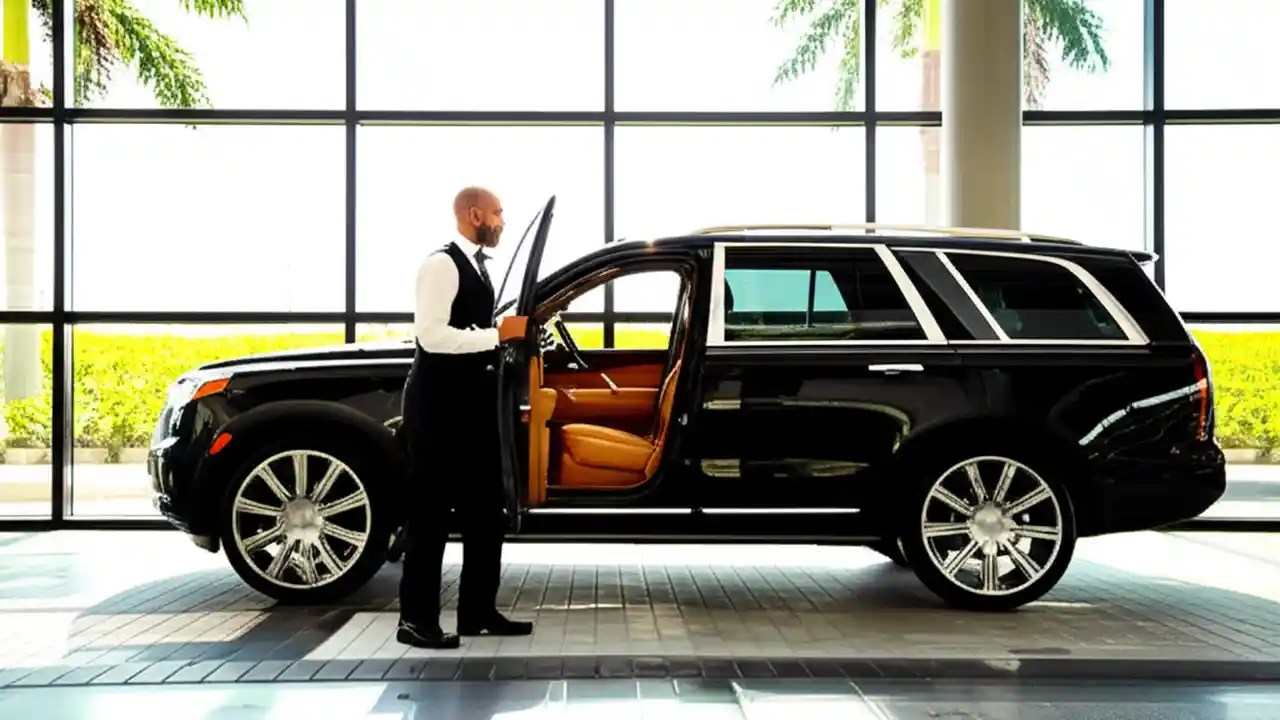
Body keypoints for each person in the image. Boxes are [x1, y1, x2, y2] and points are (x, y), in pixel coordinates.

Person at [396, 186, 534, 649]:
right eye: (497, 213)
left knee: (484, 517)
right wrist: (498, 335)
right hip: (437, 412)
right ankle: (415, 620)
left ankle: (477, 611)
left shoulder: (476, 267)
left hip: (473, 414)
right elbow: (432, 336)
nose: (502, 220)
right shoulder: (442, 264)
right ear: (474, 214)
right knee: (429, 518)